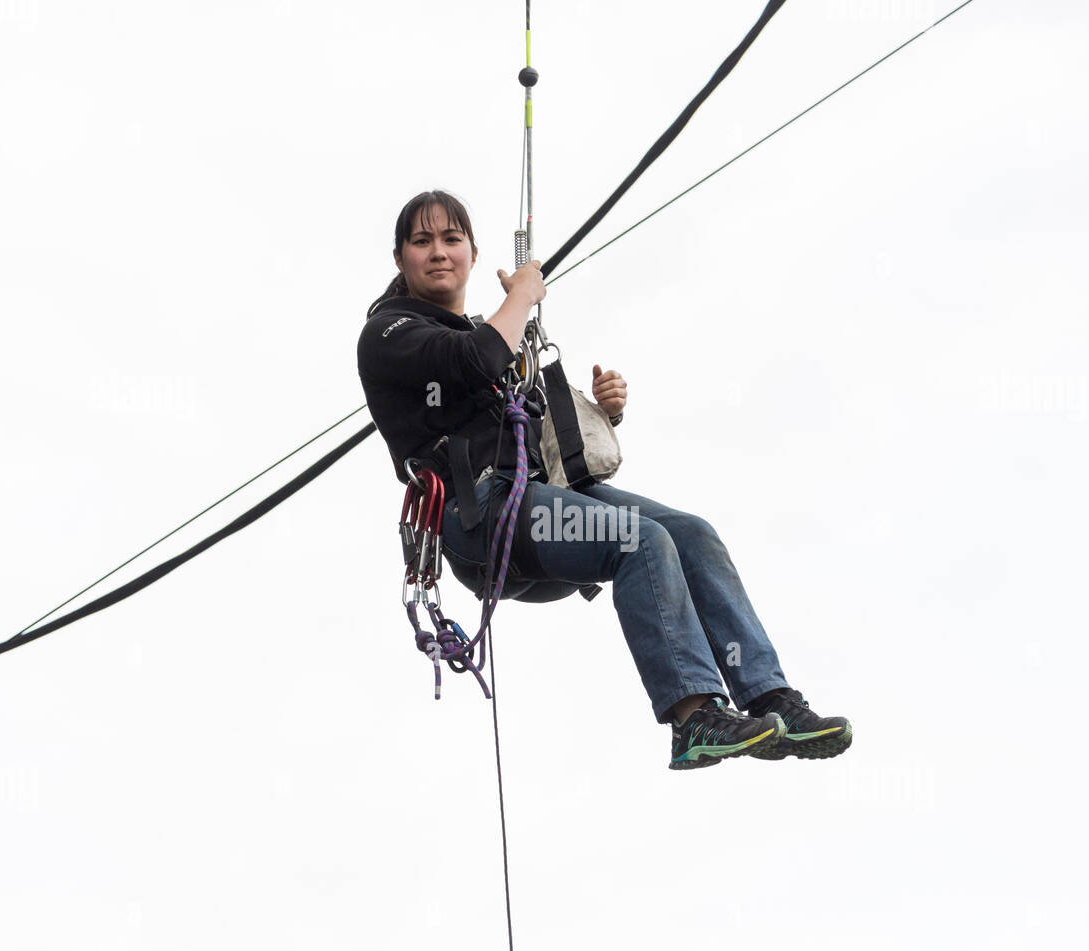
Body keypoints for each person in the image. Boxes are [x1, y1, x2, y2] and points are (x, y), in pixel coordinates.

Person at [357, 190, 852, 770]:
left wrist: (604, 412)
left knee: (691, 533)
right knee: (639, 541)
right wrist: (521, 296)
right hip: (486, 517)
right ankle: (692, 716)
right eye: (422, 242)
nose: (438, 253)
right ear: (400, 259)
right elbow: (477, 359)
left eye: (450, 240)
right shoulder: (391, 333)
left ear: (470, 251)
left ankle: (770, 697)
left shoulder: (485, 329)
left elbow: (528, 412)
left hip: (541, 493)